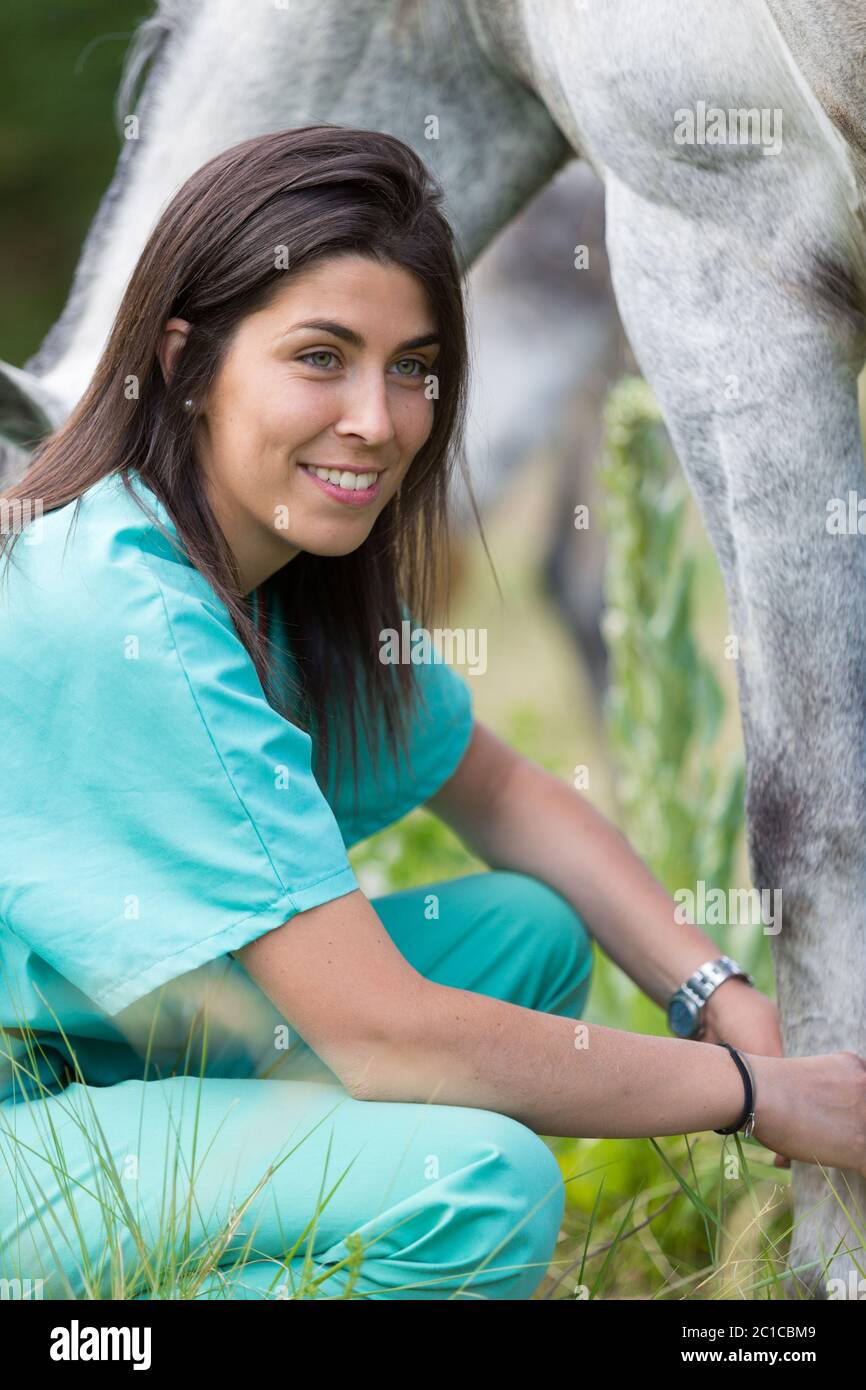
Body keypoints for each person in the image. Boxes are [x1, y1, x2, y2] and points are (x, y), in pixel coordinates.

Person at [0, 126, 863, 1304]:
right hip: (19, 1127)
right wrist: (763, 1097)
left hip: (91, 1051)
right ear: (186, 360)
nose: (377, 417)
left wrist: (713, 996)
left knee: (522, 934)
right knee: (477, 1186)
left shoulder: (276, 573)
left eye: (411, 366)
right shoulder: (122, 608)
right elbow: (383, 1033)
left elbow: (504, 792)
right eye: (320, 356)